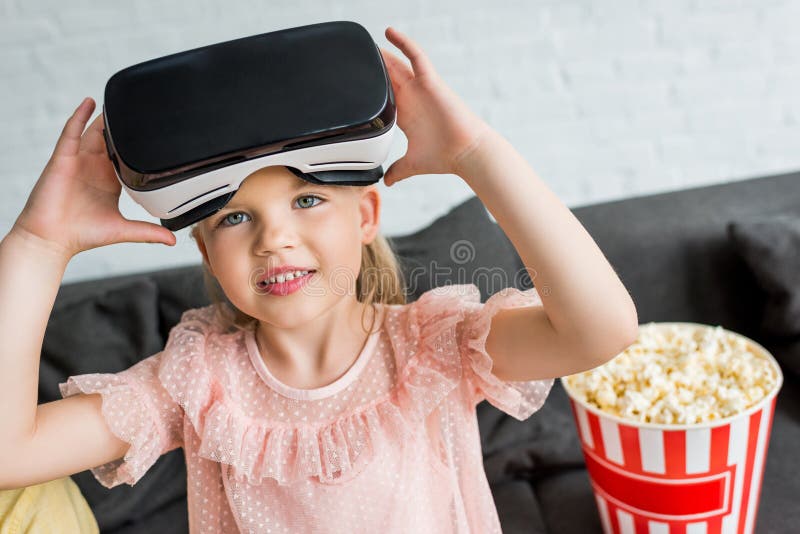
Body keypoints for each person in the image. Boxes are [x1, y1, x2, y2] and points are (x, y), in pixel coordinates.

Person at [0, 25, 638, 534]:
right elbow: (11, 456)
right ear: (206, 251)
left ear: (366, 215)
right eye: (236, 218)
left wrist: (476, 154)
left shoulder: (432, 348)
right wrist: (39, 243)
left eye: (307, 202)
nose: (272, 238)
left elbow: (601, 332)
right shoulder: (197, 385)